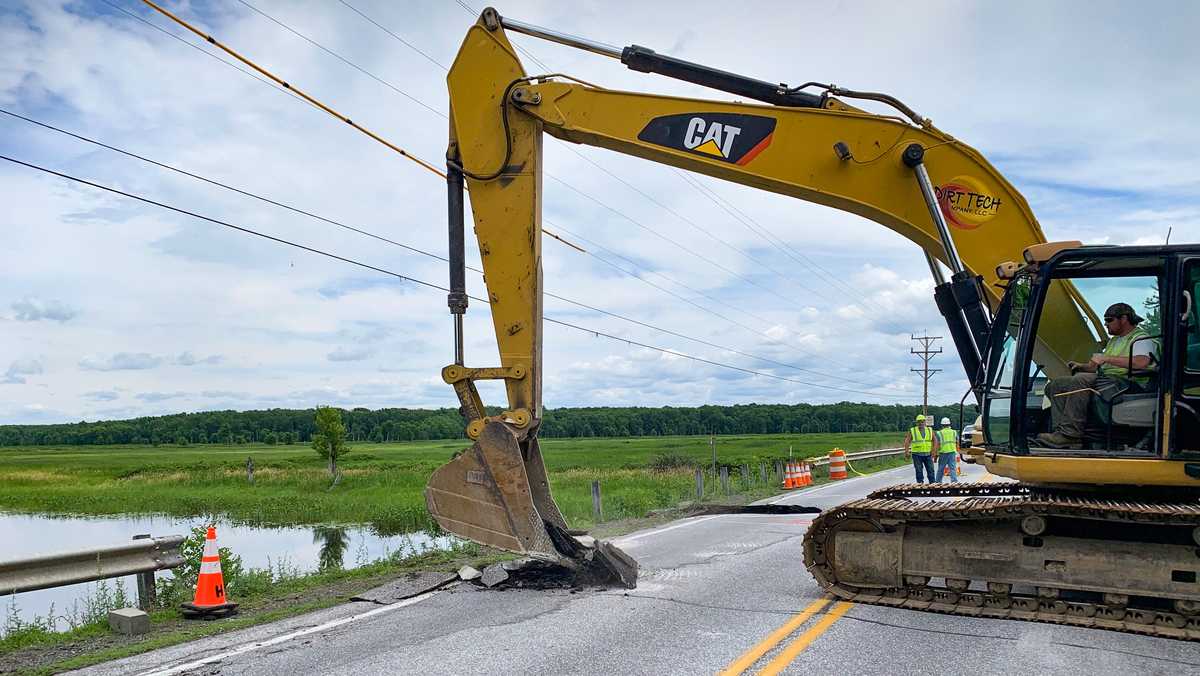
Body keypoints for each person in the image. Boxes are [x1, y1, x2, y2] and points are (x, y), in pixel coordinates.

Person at [1037, 302, 1156, 449]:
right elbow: (1100, 368)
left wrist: (1106, 358)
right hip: (1109, 381)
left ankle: (1070, 434)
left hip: (1129, 384)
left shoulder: (1141, 339)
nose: (1106, 324)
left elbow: (1142, 362)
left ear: (1124, 319)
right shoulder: (1114, 341)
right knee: (1055, 385)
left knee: (1080, 380)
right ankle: (1060, 434)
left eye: (1109, 320)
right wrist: (1082, 366)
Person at [903, 414, 940, 483]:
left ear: (925, 422)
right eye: (919, 421)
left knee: (931, 471)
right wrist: (906, 451)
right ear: (917, 423)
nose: (921, 423)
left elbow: (935, 440)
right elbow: (907, 441)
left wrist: (934, 451)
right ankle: (920, 485)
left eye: (922, 421)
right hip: (917, 455)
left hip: (928, 454)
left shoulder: (929, 430)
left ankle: (932, 485)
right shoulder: (913, 430)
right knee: (919, 471)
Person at [935, 417, 958, 483]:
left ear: (942, 425)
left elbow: (937, 444)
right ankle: (954, 481)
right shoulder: (954, 432)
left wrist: (936, 454)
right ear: (949, 424)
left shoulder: (939, 433)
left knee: (941, 468)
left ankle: (938, 482)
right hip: (952, 452)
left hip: (943, 453)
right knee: (952, 468)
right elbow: (957, 441)